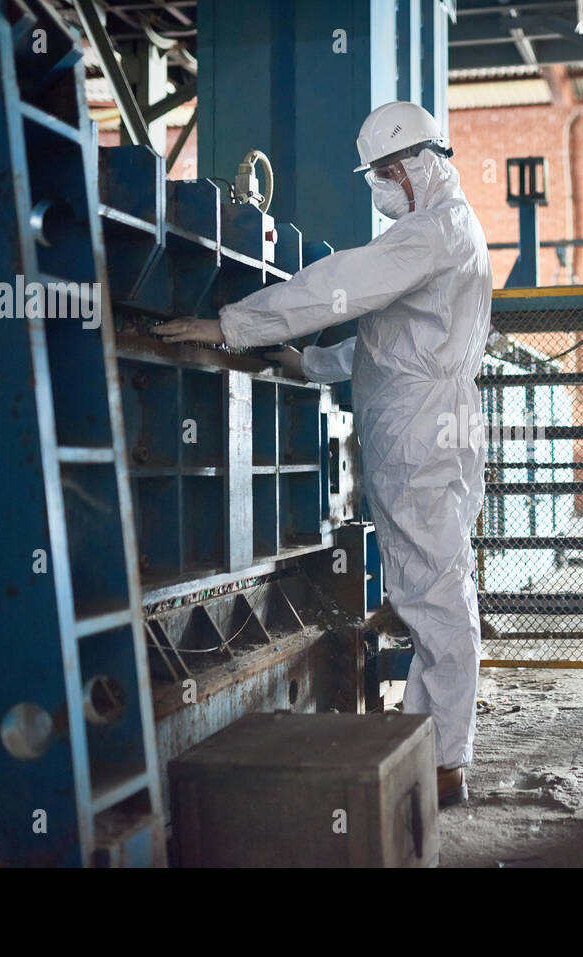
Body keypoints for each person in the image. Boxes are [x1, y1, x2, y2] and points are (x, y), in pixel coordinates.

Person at [155, 101, 492, 804]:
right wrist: (304, 363)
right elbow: (384, 346)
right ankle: (435, 749)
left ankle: (446, 762)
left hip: (422, 439)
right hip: (424, 431)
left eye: (380, 175)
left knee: (435, 595)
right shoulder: (443, 232)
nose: (378, 188)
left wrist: (231, 323)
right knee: (431, 591)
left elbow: (338, 286)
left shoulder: (429, 233)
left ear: (406, 169)